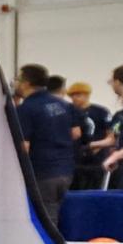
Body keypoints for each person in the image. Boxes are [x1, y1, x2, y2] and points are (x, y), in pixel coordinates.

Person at [13, 63, 79, 217]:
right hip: (66, 171)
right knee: (61, 215)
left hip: (43, 172)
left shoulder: (27, 108)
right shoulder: (64, 105)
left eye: (17, 79)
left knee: (45, 219)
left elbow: (24, 146)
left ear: (26, 83)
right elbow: (75, 133)